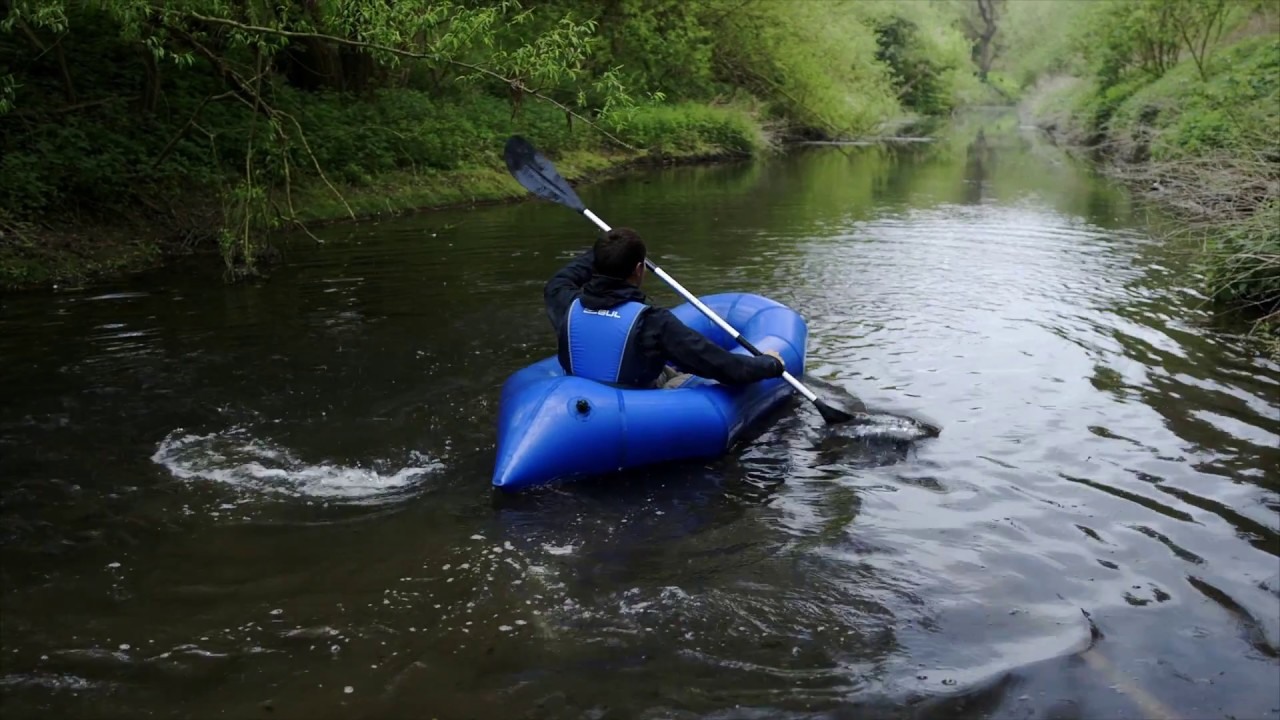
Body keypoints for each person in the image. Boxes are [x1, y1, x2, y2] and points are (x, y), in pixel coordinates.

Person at [543, 227, 786, 389]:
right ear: (639, 270)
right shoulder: (653, 322)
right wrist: (770, 364)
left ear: (595, 264)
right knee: (694, 378)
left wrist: (603, 251)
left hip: (579, 394)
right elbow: (726, 368)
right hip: (635, 404)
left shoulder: (566, 302)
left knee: (665, 364)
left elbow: (560, 280)